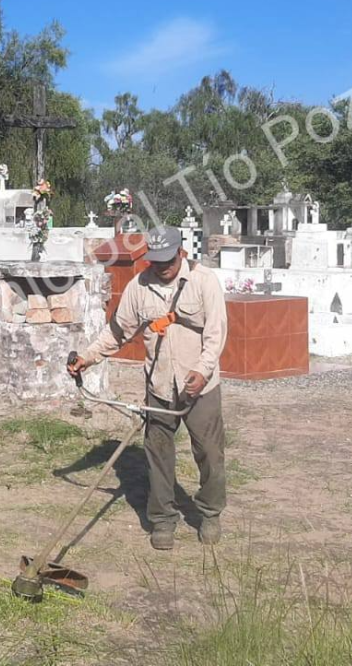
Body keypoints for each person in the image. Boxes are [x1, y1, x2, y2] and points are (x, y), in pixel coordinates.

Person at [68, 225, 228, 549]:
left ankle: (210, 513)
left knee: (210, 453)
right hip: (159, 386)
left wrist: (201, 371)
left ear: (181, 252)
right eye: (156, 260)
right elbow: (117, 332)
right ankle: (163, 520)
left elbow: (216, 334)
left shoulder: (204, 281)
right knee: (158, 455)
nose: (162, 266)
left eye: (168, 259)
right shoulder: (139, 287)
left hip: (200, 386)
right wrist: (88, 357)